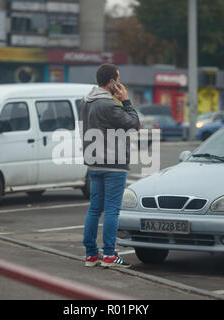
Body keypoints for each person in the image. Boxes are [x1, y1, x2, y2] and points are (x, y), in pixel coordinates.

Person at [79, 63, 140, 268]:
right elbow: (133, 124)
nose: (121, 83)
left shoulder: (85, 102)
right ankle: (109, 255)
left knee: (95, 208)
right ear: (112, 82)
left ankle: (91, 254)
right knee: (112, 210)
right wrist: (126, 100)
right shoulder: (110, 104)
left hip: (93, 162)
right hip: (113, 163)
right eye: (118, 79)